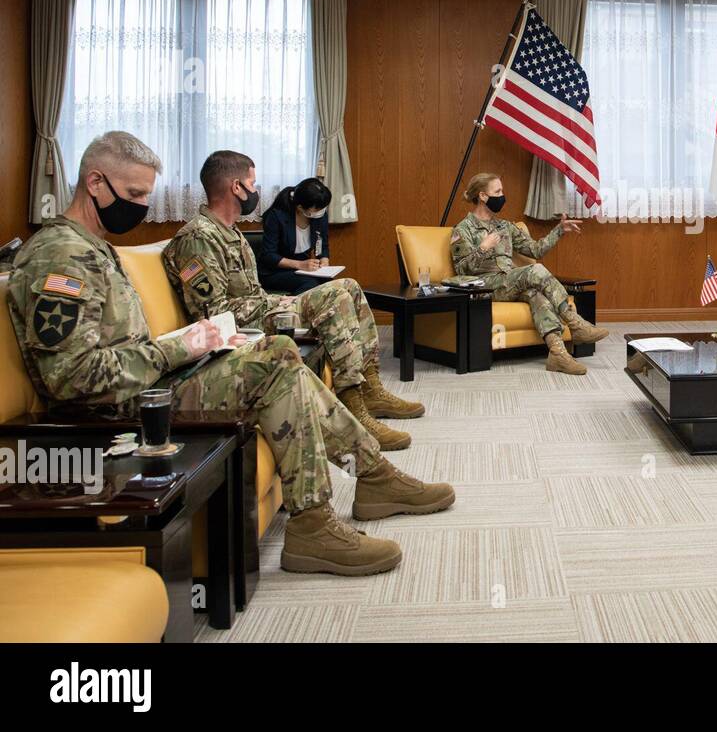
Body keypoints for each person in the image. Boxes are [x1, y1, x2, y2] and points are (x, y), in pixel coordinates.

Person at [7, 131, 454, 577]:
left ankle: (367, 480)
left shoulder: (90, 247)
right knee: (276, 360)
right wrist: (174, 349)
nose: (142, 205)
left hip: (149, 387)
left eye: (146, 194)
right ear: (95, 183)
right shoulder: (59, 257)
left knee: (278, 354)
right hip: (120, 411)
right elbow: (72, 377)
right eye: (134, 194)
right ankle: (329, 512)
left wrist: (180, 352)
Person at [162, 151, 423, 455]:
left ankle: (371, 389)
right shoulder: (197, 238)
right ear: (236, 187)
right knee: (334, 296)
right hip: (238, 328)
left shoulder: (230, 233)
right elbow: (214, 313)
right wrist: (273, 305)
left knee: (348, 287)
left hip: (259, 310)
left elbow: (251, 292)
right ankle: (354, 407)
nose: (255, 191)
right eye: (252, 182)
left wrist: (275, 300)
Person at [449, 172, 607, 376]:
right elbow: (461, 269)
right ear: (482, 196)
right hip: (485, 287)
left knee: (536, 294)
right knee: (535, 270)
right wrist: (483, 248)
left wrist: (559, 230)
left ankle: (557, 353)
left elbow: (535, 250)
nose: (502, 195)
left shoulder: (504, 226)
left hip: (509, 283)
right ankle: (576, 323)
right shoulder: (462, 229)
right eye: (497, 191)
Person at [258, 177, 332, 295]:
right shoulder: (277, 216)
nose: (321, 212)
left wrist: (324, 260)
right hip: (275, 272)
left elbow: (323, 244)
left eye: (322, 209)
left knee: (329, 283)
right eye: (317, 209)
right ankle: (288, 309)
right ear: (300, 207)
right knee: (310, 284)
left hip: (301, 269)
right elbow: (269, 256)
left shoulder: (319, 216)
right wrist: (300, 265)